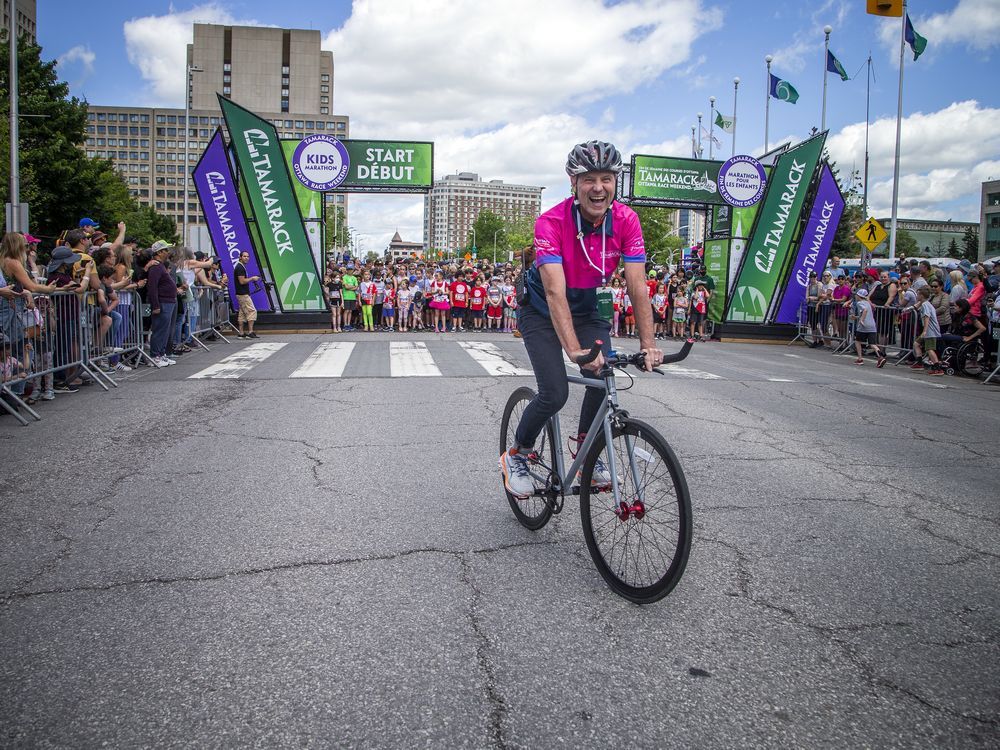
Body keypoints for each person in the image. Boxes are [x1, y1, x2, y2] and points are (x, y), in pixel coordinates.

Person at [501, 140, 662, 498]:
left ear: (615, 183)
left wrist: (648, 345)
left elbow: (638, 286)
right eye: (589, 178)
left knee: (603, 375)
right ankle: (517, 454)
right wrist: (573, 350)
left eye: (607, 178)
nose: (598, 187)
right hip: (542, 308)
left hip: (590, 306)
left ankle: (586, 448)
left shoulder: (626, 220)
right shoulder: (551, 222)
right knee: (555, 392)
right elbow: (555, 291)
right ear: (573, 182)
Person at [146, 241, 179, 367]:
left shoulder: (160, 266)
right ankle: (155, 355)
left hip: (168, 301)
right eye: (165, 250)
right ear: (159, 252)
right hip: (163, 302)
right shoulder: (155, 267)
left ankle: (161, 353)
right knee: (160, 330)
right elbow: (152, 287)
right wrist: (155, 305)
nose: (168, 252)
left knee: (165, 330)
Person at [849, 288, 886, 368]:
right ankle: (880, 356)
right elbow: (865, 313)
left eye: (856, 295)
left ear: (859, 296)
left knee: (857, 341)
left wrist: (861, 320)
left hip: (863, 325)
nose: (855, 296)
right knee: (872, 343)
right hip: (872, 325)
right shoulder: (868, 303)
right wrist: (856, 317)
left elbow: (864, 311)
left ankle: (860, 359)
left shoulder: (859, 303)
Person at [911, 286, 943, 375]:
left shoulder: (925, 305)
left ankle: (937, 367)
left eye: (918, 294)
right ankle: (919, 362)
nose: (916, 296)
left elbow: (926, 317)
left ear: (921, 295)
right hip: (928, 330)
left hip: (930, 330)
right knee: (916, 344)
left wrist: (924, 330)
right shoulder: (924, 303)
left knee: (929, 349)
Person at [232, 249, 261, 339]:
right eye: (244, 256)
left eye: (248, 256)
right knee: (252, 311)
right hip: (243, 294)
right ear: (240, 257)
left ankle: (241, 333)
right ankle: (250, 332)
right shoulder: (240, 268)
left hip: (240, 293)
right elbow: (242, 281)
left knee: (242, 313)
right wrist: (252, 278)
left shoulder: (240, 267)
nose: (246, 258)